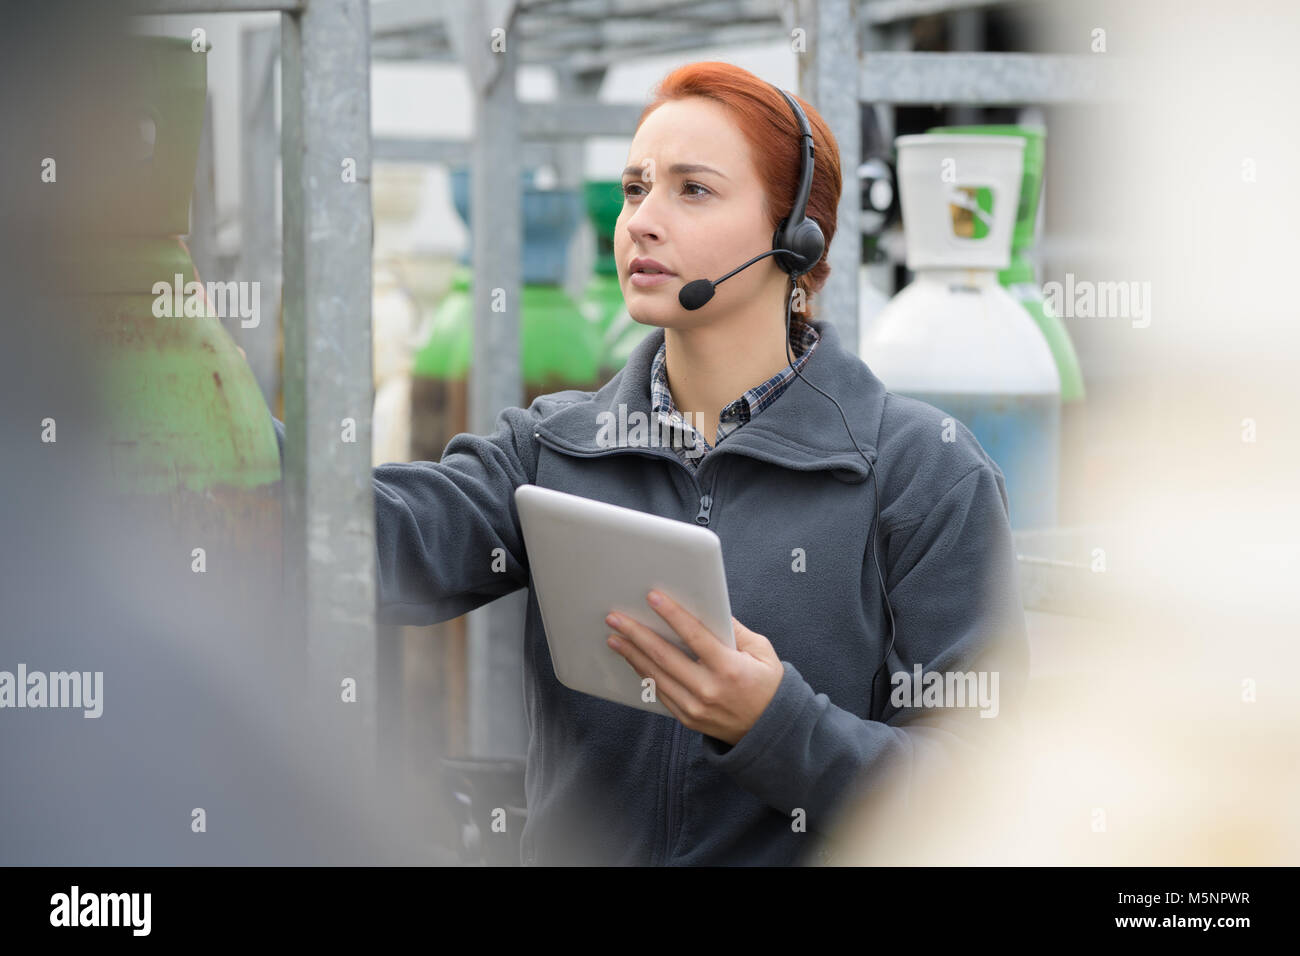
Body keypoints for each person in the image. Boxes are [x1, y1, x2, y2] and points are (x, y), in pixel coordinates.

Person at [272, 61, 1029, 866]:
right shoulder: (555, 447)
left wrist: (776, 725)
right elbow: (369, 539)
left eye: (691, 190)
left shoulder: (922, 476)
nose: (642, 221)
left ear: (794, 236)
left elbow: (985, 803)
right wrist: (228, 427)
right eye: (635, 189)